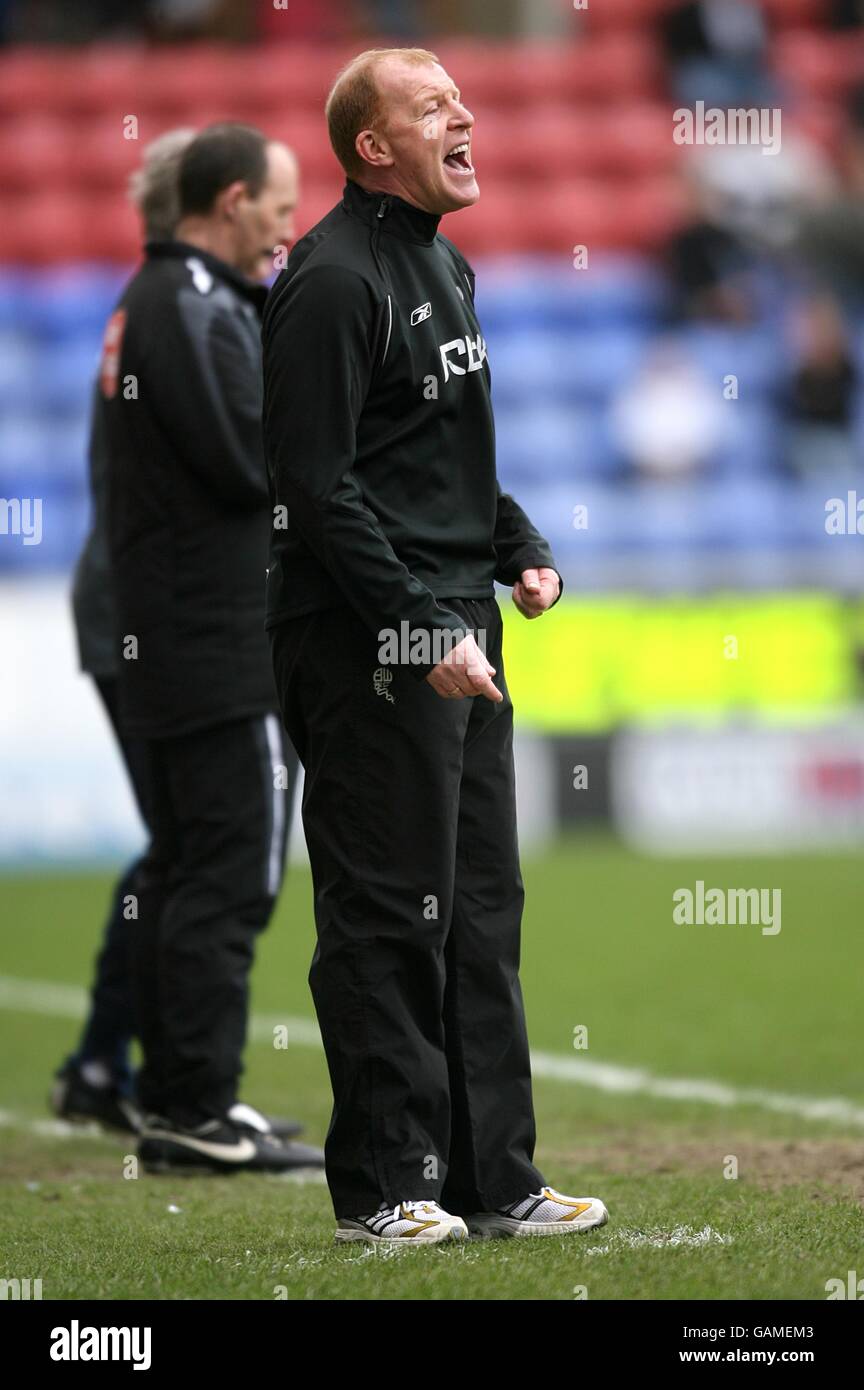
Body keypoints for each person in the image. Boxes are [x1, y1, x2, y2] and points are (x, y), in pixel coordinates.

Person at [263, 47, 609, 1243]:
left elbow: (443, 455)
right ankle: (389, 1189)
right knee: (386, 911)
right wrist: (415, 623)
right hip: (369, 637)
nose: (466, 116)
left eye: (460, 101)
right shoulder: (329, 282)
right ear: (373, 147)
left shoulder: (443, 263)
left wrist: (517, 542)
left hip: (459, 624)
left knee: (479, 909)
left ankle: (494, 1178)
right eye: (434, 107)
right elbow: (316, 488)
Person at [96, 122, 321, 1174]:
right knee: (226, 872)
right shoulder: (186, 306)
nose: (288, 224)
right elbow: (251, 459)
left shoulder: (176, 302)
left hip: (179, 635)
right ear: (230, 200)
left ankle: (175, 1099)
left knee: (188, 869)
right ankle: (194, 1103)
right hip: (213, 640)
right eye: (278, 204)